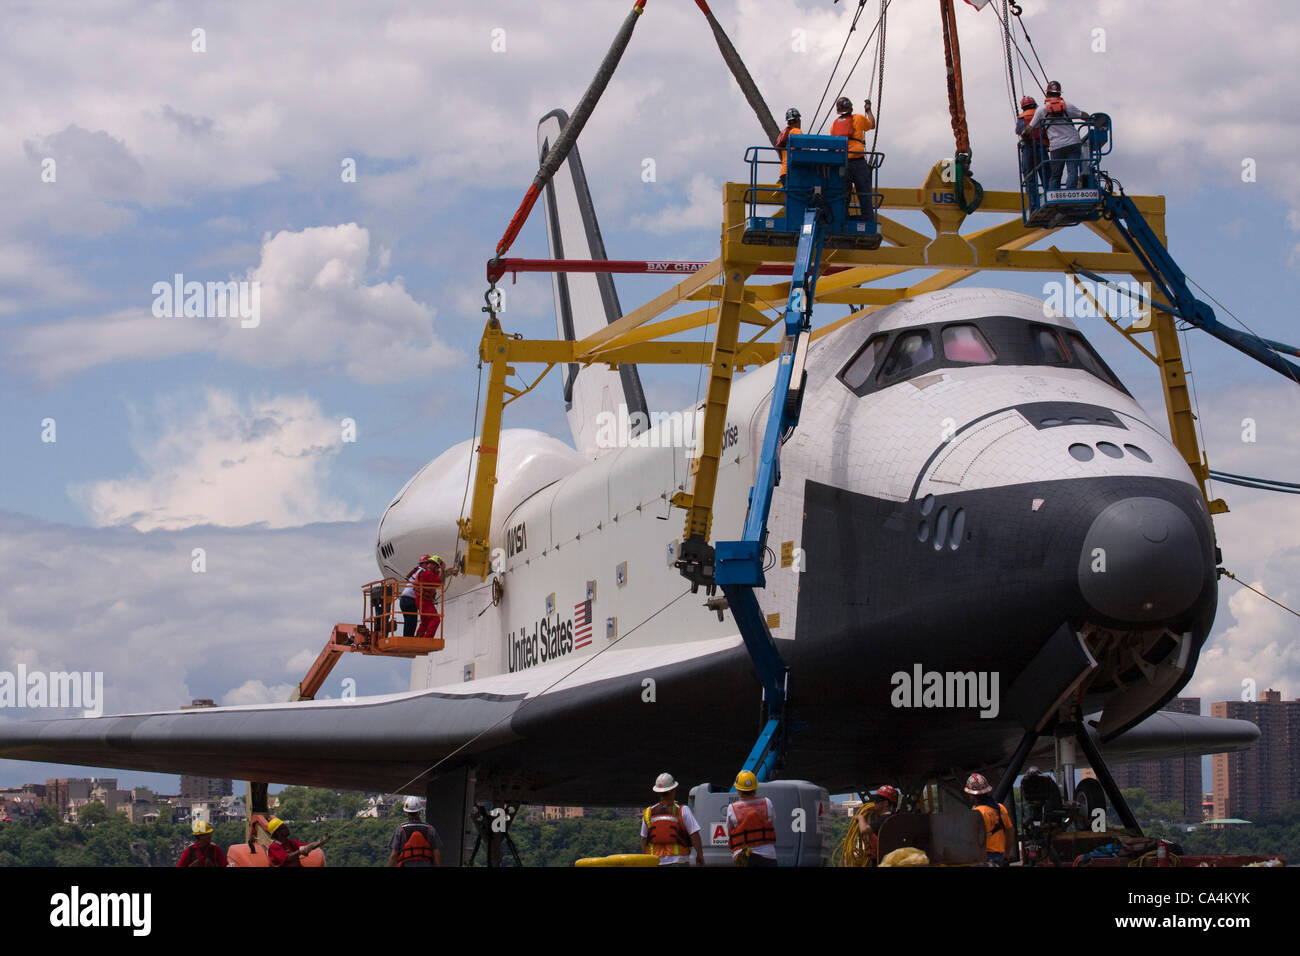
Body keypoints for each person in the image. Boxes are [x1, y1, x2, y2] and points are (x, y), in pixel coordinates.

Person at [1026, 80, 1091, 191]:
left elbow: (1029, 129)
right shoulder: (1068, 106)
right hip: (1073, 142)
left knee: (1055, 174)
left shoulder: (1041, 110)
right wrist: (1091, 119)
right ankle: (1071, 193)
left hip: (1056, 146)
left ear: (1047, 93)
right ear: (1059, 94)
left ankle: (1054, 195)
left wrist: (1023, 136)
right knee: (1072, 170)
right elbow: (1084, 116)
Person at [640, 772, 704, 866]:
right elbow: (694, 835)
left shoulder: (648, 813)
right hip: (679, 860)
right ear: (673, 789)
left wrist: (646, 858)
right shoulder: (683, 810)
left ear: (658, 792)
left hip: (656, 861)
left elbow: (643, 838)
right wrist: (700, 854)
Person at [830, 95, 876, 220]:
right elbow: (872, 124)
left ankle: (843, 218)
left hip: (842, 162)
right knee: (864, 192)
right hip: (858, 161)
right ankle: (867, 218)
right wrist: (868, 110)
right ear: (850, 108)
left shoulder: (835, 124)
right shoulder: (859, 118)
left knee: (844, 194)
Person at [726, 770, 778, 867]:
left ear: (738, 789)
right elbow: (771, 822)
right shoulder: (767, 802)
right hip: (768, 856)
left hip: (744, 858)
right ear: (755, 788)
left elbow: (730, 829)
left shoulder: (732, 808)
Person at [964, 772, 1013, 866]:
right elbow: (1010, 832)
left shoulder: (976, 813)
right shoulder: (1000, 808)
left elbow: (971, 841)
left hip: (984, 859)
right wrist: (1006, 853)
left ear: (972, 794)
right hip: (999, 858)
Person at [389, 796, 442, 867]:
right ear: (420, 811)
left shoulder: (401, 830)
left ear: (406, 812)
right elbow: (436, 854)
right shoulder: (430, 829)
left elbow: (393, 855)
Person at [854, 784, 898, 864]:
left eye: (877, 800)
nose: (874, 803)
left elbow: (864, 830)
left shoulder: (885, 818)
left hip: (882, 861)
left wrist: (860, 817)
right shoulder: (892, 818)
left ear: (886, 803)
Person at [1015, 94, 1049, 197]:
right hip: (1041, 147)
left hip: (1028, 148)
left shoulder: (1022, 117)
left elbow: (1018, 131)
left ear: (1023, 107)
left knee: (1030, 178)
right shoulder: (1041, 114)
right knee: (1046, 175)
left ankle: (1034, 204)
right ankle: (1049, 195)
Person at [414, 554, 452, 640]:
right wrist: (443, 570)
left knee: (425, 622)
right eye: (437, 567)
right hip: (424, 601)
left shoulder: (427, 573)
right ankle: (426, 640)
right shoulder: (427, 574)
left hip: (422, 600)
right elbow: (440, 583)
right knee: (435, 619)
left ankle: (417, 639)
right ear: (433, 565)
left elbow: (439, 581)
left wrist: (444, 571)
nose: (437, 569)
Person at [775, 107, 802, 185]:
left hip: (783, 173)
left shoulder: (783, 133)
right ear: (797, 120)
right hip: (792, 172)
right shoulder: (796, 131)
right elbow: (802, 148)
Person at [399, 562, 421, 637]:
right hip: (410, 599)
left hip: (403, 599)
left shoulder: (416, 571)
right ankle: (409, 638)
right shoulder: (422, 572)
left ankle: (406, 638)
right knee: (412, 621)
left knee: (408, 621)